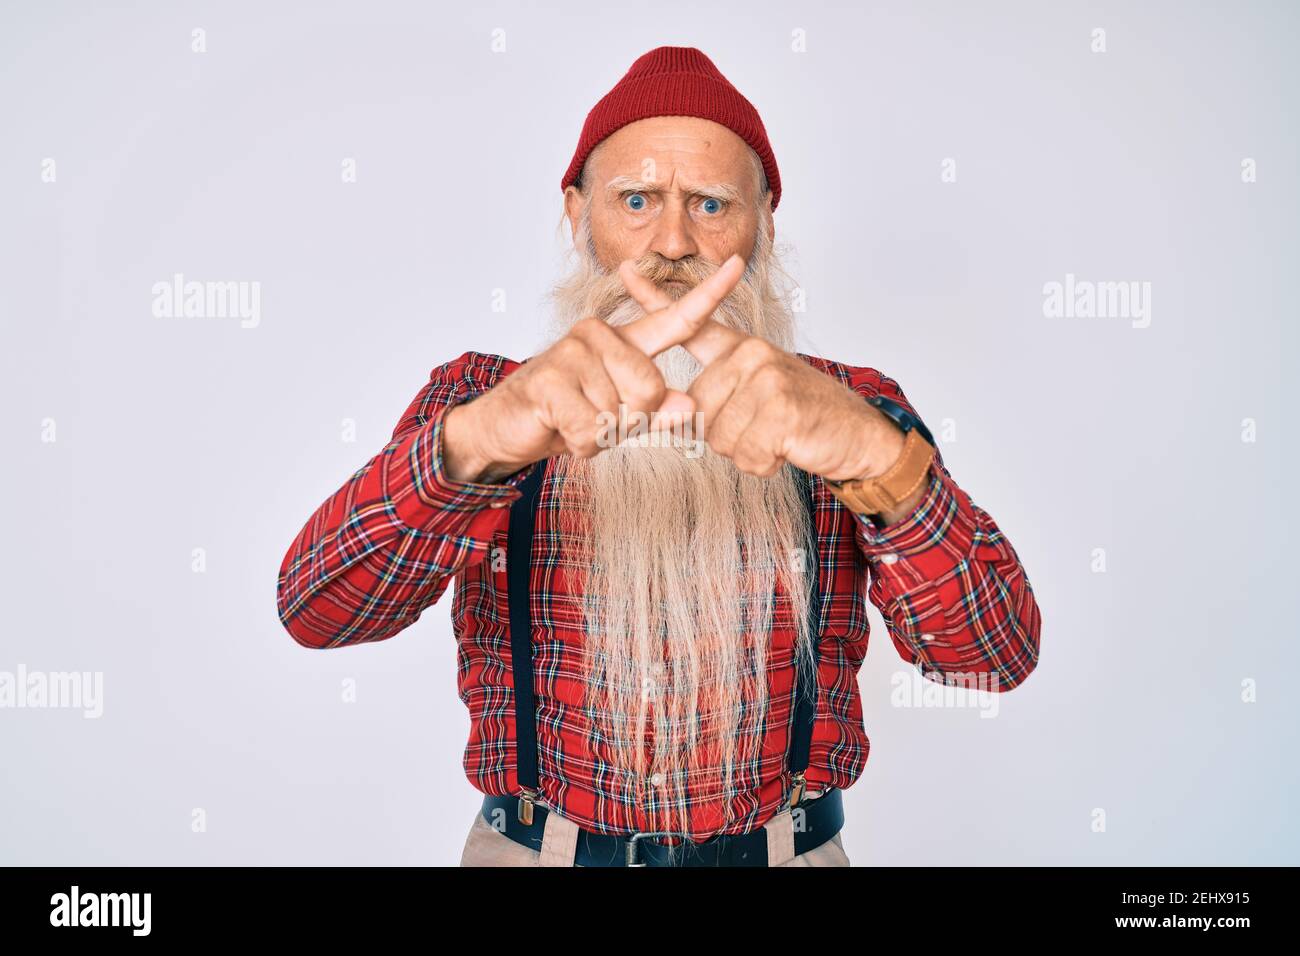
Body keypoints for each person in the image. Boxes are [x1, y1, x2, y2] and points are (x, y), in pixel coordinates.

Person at [276, 45, 1042, 867]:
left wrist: (871, 453)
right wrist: (487, 438)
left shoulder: (849, 405)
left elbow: (992, 660)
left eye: (711, 206)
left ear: (766, 223)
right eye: (635, 200)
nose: (671, 243)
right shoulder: (480, 396)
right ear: (575, 216)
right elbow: (319, 612)